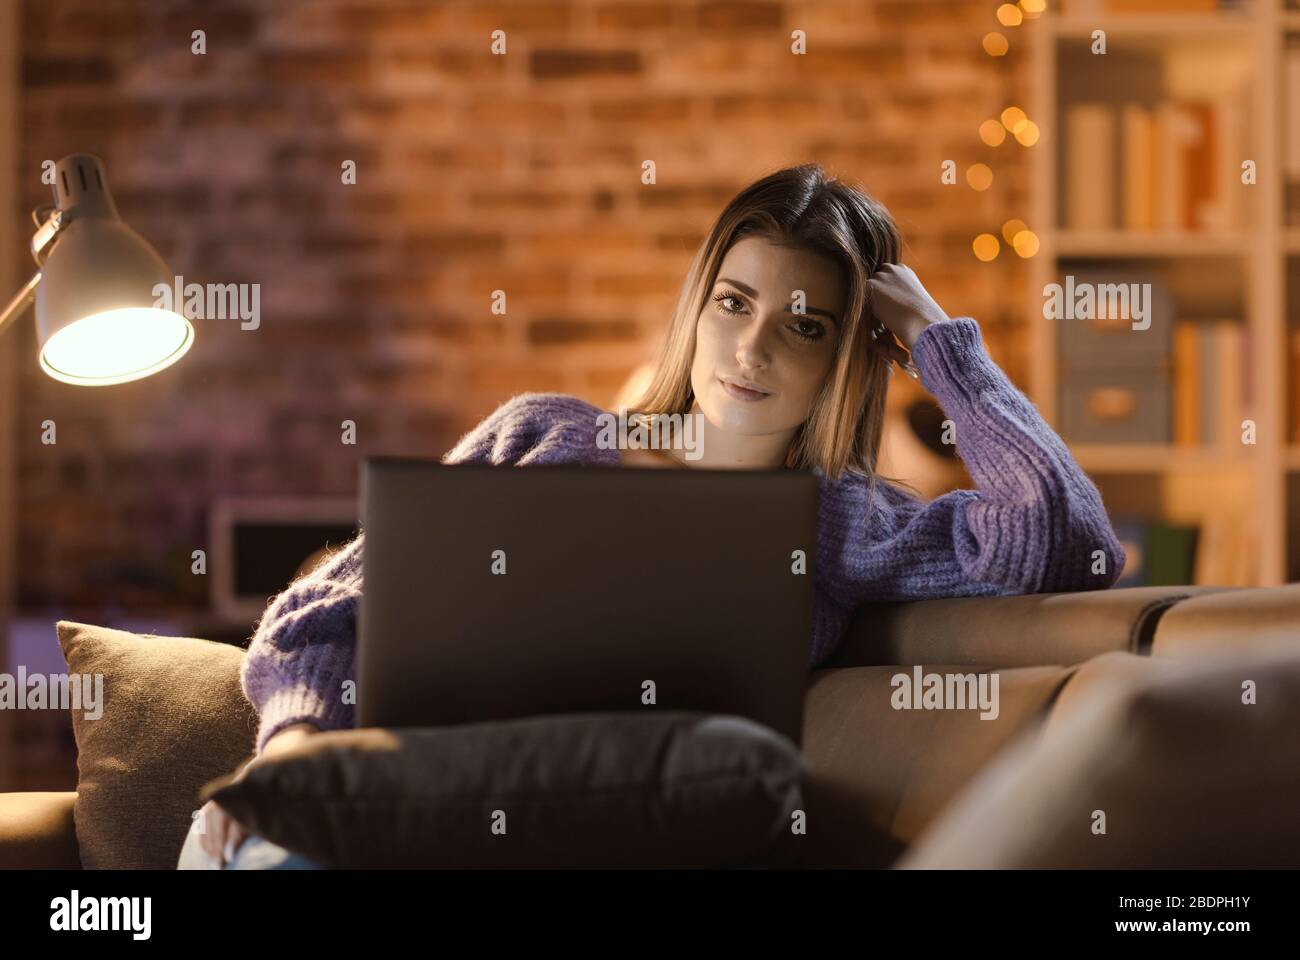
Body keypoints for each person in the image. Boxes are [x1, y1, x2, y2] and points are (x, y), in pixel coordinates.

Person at [182, 163, 1127, 868]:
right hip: (394, 803)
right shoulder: (540, 436)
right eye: (734, 302)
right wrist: (292, 753)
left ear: (850, 354)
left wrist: (936, 342)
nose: (752, 348)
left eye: (805, 325)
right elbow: (324, 613)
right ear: (698, 307)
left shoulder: (843, 524)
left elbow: (1068, 541)